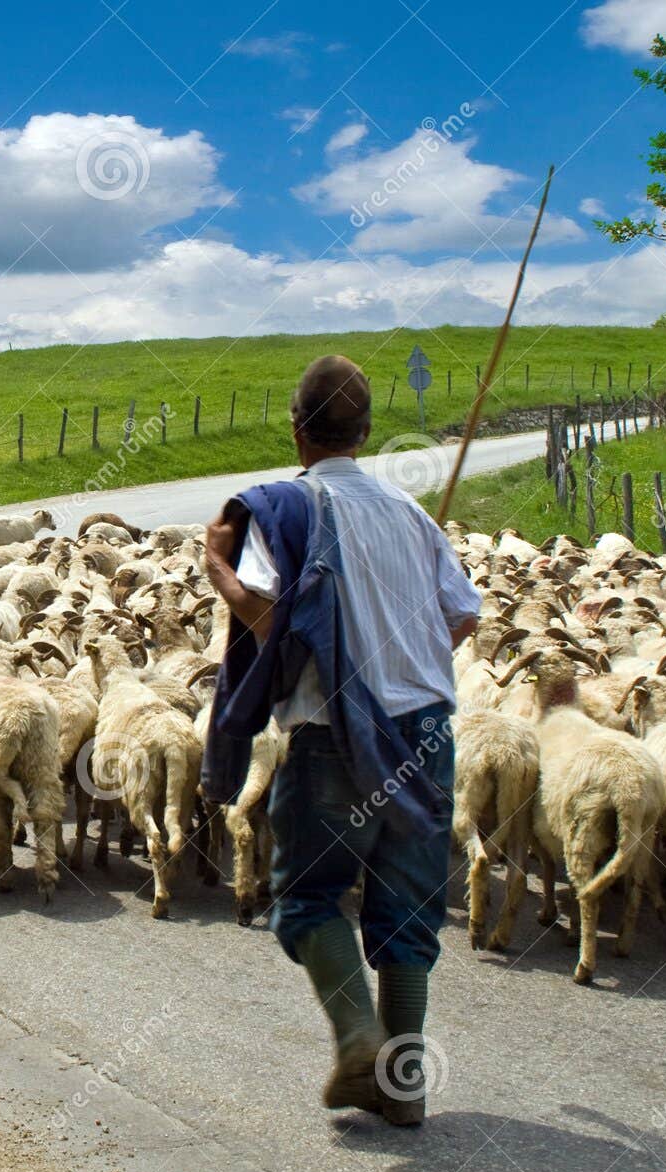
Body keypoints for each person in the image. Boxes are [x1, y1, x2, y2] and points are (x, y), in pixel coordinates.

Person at [202, 354, 481, 1126]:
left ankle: (359, 1037)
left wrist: (218, 560)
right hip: (424, 732)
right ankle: (405, 1083)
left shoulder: (292, 511)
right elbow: (463, 614)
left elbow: (263, 614)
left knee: (309, 896)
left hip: (334, 732)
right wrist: (404, 660)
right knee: (409, 909)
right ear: (363, 433)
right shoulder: (411, 513)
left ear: (298, 432)